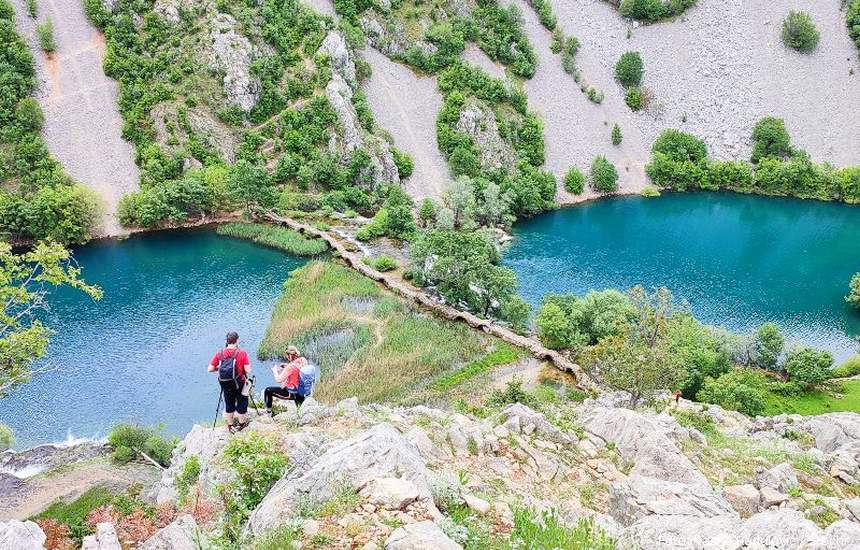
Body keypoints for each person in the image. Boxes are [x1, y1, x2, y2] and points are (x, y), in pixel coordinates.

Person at [209, 331, 252, 433]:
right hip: (239, 383)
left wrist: (219, 369)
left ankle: (230, 425)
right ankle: (241, 425)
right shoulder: (242, 353)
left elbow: (210, 369)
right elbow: (248, 370)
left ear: (226, 341)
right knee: (242, 402)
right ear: (237, 340)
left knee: (229, 403)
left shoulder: (220, 353)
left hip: (225, 383)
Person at [264, 345, 307, 416]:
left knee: (268, 390)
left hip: (291, 393)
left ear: (290, 355)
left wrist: (275, 371)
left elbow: (278, 380)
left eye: (287, 355)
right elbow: (296, 368)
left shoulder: (290, 367)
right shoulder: (302, 360)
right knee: (300, 411)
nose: (286, 357)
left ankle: (269, 413)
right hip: (301, 392)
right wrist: (286, 366)